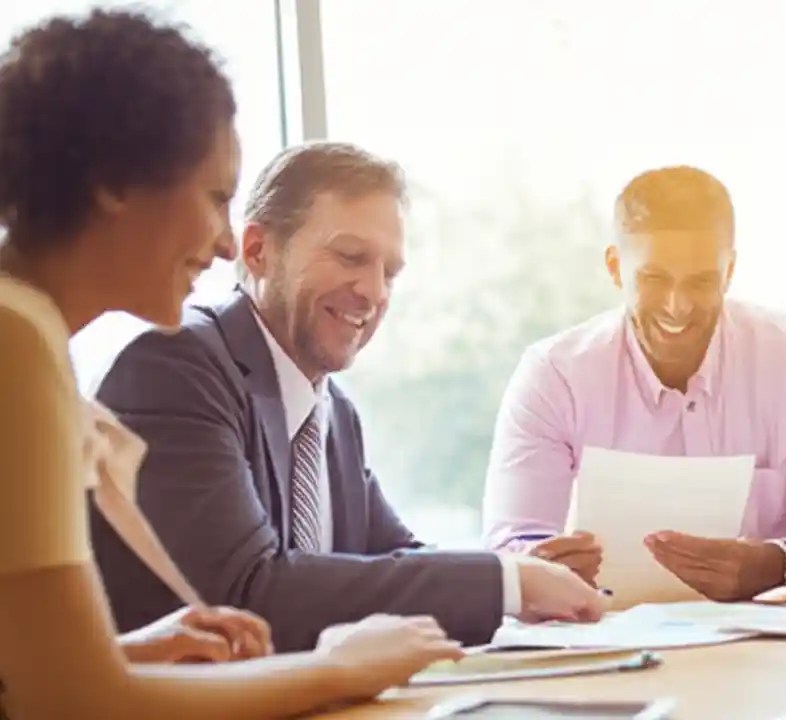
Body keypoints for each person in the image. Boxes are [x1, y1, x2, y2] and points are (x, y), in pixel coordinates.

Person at [0, 10, 468, 719]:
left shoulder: (24, 332)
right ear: (114, 181)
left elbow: (48, 675)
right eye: (216, 197)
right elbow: (72, 699)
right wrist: (337, 668)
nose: (224, 245)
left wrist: (125, 650)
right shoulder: (17, 340)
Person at [88, 141, 604, 653]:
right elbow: (246, 593)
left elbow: (392, 558)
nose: (375, 292)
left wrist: (522, 578)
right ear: (258, 250)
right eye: (351, 257)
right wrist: (506, 583)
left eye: (390, 273)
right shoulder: (176, 367)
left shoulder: (332, 411)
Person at [482, 165, 786, 601]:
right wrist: (543, 567)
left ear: (730, 269)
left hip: (773, 630)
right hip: (610, 633)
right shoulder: (554, 375)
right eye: (653, 279)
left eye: (701, 282)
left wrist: (776, 562)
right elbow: (509, 545)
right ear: (615, 267)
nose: (677, 307)